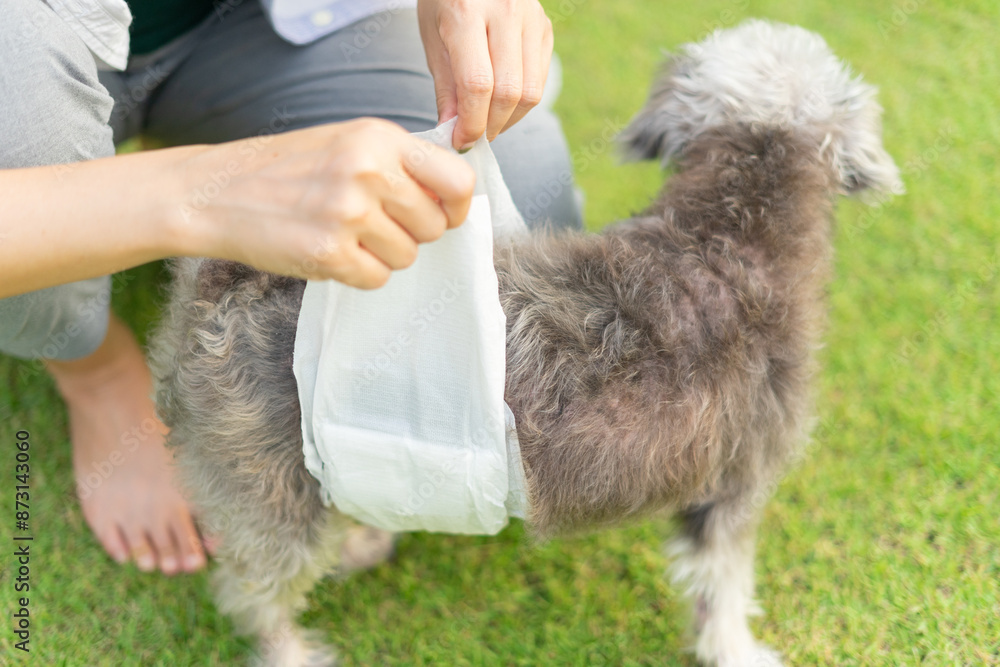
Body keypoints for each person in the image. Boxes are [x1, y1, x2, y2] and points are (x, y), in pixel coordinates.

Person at [0, 0, 581, 575]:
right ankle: (94, 373)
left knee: (514, 190)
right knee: (21, 133)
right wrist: (199, 192)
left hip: (245, 25)